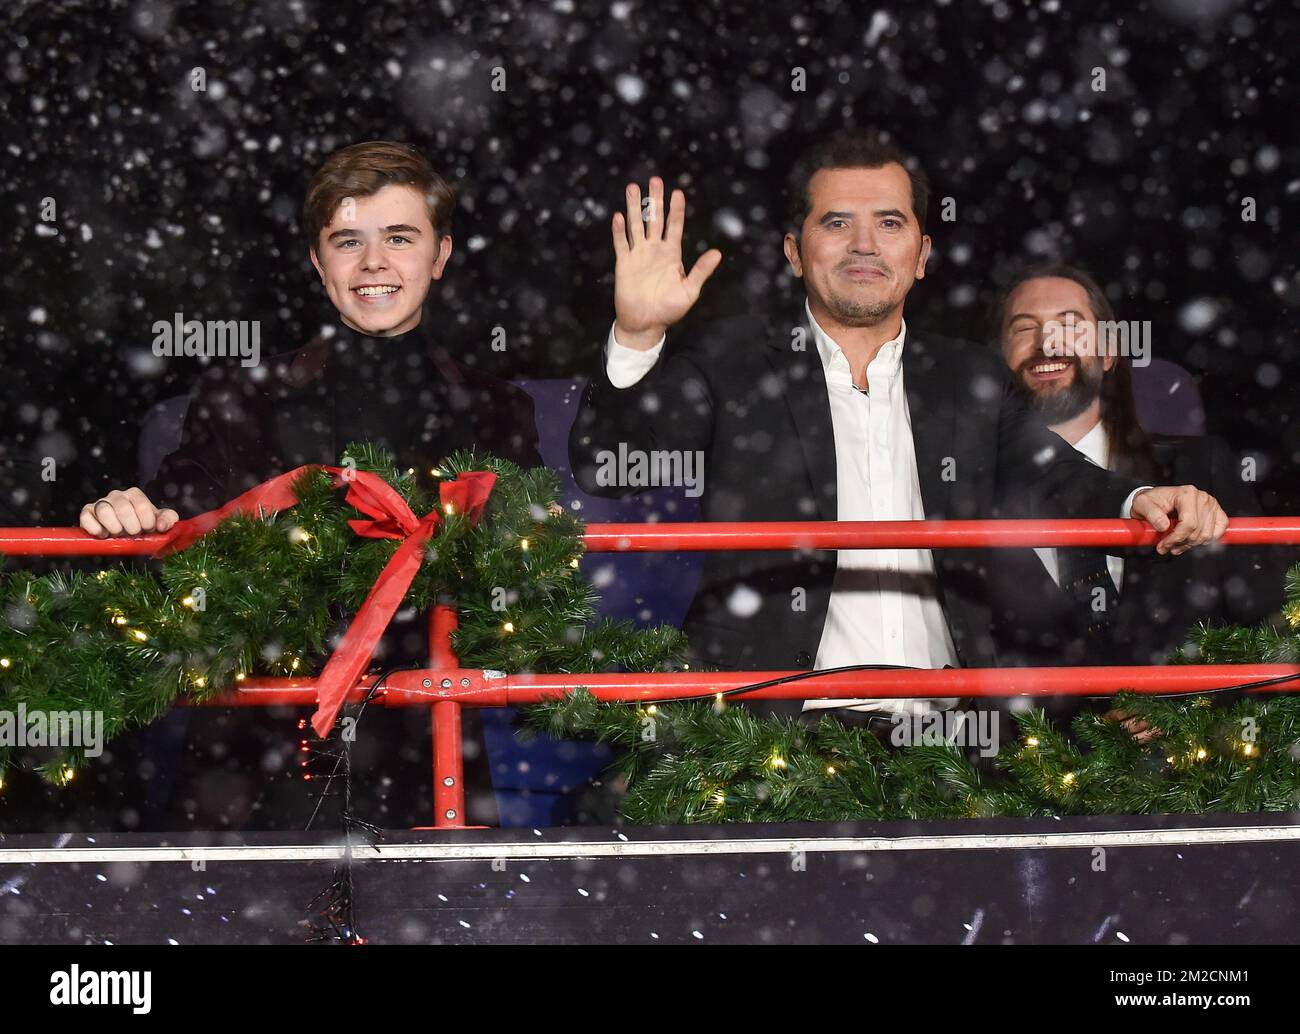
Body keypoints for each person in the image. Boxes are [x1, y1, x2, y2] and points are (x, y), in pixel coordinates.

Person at [569, 129, 1229, 734]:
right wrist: (638, 333)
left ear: (921, 254)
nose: (864, 245)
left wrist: (1132, 500)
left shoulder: (968, 376)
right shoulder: (730, 370)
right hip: (771, 739)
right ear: (795, 253)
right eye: (837, 223)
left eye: (889, 223)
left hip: (950, 742)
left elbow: (1051, 472)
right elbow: (607, 465)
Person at [72, 140, 542, 830]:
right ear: (319, 264)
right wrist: (133, 510)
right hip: (252, 748)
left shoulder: (499, 410)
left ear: (440, 256)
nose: (374, 262)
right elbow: (183, 502)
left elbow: (519, 584)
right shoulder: (241, 393)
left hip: (422, 740)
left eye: (400, 238)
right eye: (348, 241)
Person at [987, 264, 1286, 738]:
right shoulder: (971, 492)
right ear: (999, 357)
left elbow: (1269, 626)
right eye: (1024, 328)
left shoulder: (1200, 467)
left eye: (1069, 325)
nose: (1047, 342)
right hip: (1023, 783)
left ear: (1108, 352)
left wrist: (1187, 711)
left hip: (1197, 781)